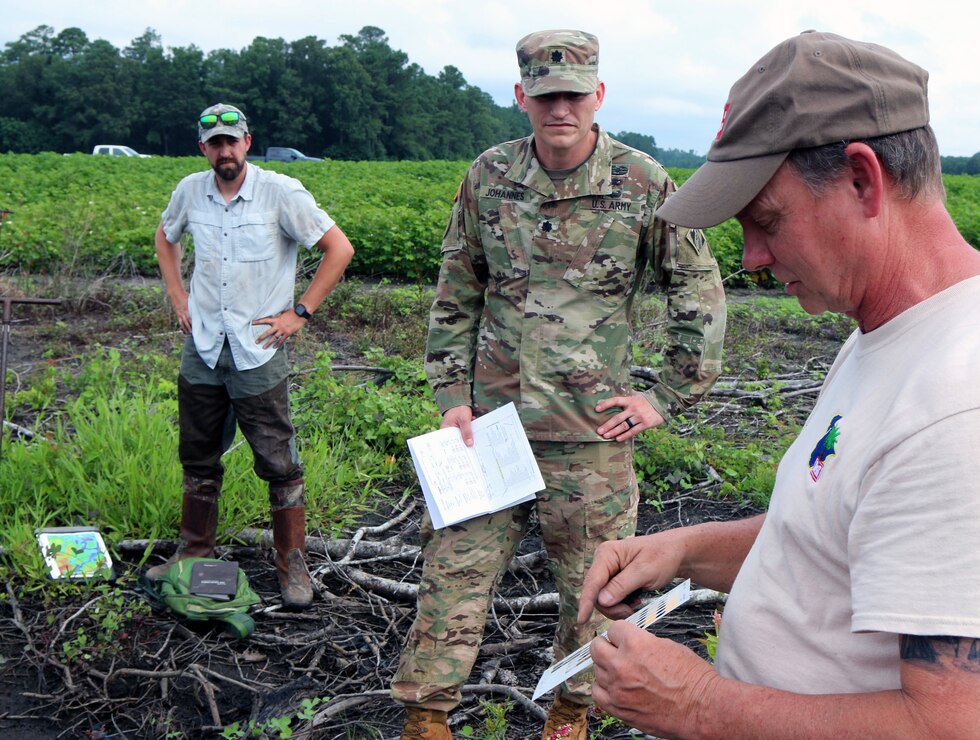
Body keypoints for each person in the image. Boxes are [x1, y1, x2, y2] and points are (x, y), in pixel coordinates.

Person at [577, 31, 980, 739]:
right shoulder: (892, 335)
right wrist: (686, 552)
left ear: (862, 179)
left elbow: (967, 728)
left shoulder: (974, 405)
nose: (752, 257)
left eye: (766, 220)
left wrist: (698, 705)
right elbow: (846, 537)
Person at [391, 29, 726, 739]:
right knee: (451, 577)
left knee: (594, 592)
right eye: (545, 97)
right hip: (490, 428)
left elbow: (696, 288)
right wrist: (451, 397)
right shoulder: (490, 176)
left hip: (590, 434)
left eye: (574, 95)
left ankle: (571, 714)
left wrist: (665, 396)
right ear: (522, 97)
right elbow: (457, 290)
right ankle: (426, 718)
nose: (561, 109)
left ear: (598, 94)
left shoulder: (641, 182)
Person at [146, 103, 354, 610]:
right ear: (203, 148)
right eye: (214, 143)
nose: (224, 151)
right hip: (204, 345)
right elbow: (165, 237)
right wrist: (177, 295)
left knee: (278, 460)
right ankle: (193, 551)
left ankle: (292, 563)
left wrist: (299, 313)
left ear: (247, 143)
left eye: (231, 141)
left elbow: (339, 249)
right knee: (198, 454)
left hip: (258, 349)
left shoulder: (281, 192)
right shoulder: (189, 191)